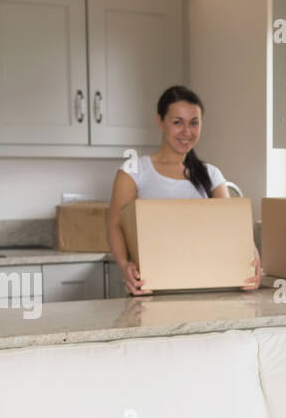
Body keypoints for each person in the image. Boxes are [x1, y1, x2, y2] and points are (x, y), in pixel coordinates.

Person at [106, 83, 262, 295]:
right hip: (149, 290)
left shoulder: (211, 175)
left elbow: (233, 229)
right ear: (160, 122)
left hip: (206, 291)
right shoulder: (134, 171)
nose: (187, 132)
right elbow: (115, 225)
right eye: (178, 123)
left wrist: (252, 259)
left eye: (194, 123)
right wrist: (125, 266)